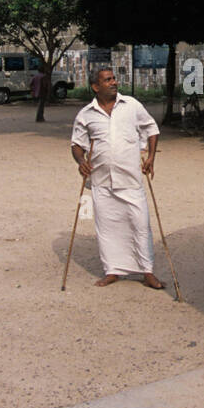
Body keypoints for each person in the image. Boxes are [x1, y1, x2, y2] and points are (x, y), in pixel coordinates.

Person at [70, 68, 164, 289]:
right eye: (108, 80)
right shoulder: (86, 113)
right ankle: (113, 270)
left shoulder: (131, 105)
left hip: (131, 178)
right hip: (101, 181)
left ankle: (147, 271)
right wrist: (81, 162)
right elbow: (76, 144)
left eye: (114, 79)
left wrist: (151, 157)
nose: (114, 82)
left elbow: (152, 129)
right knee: (107, 226)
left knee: (140, 224)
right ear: (95, 87)